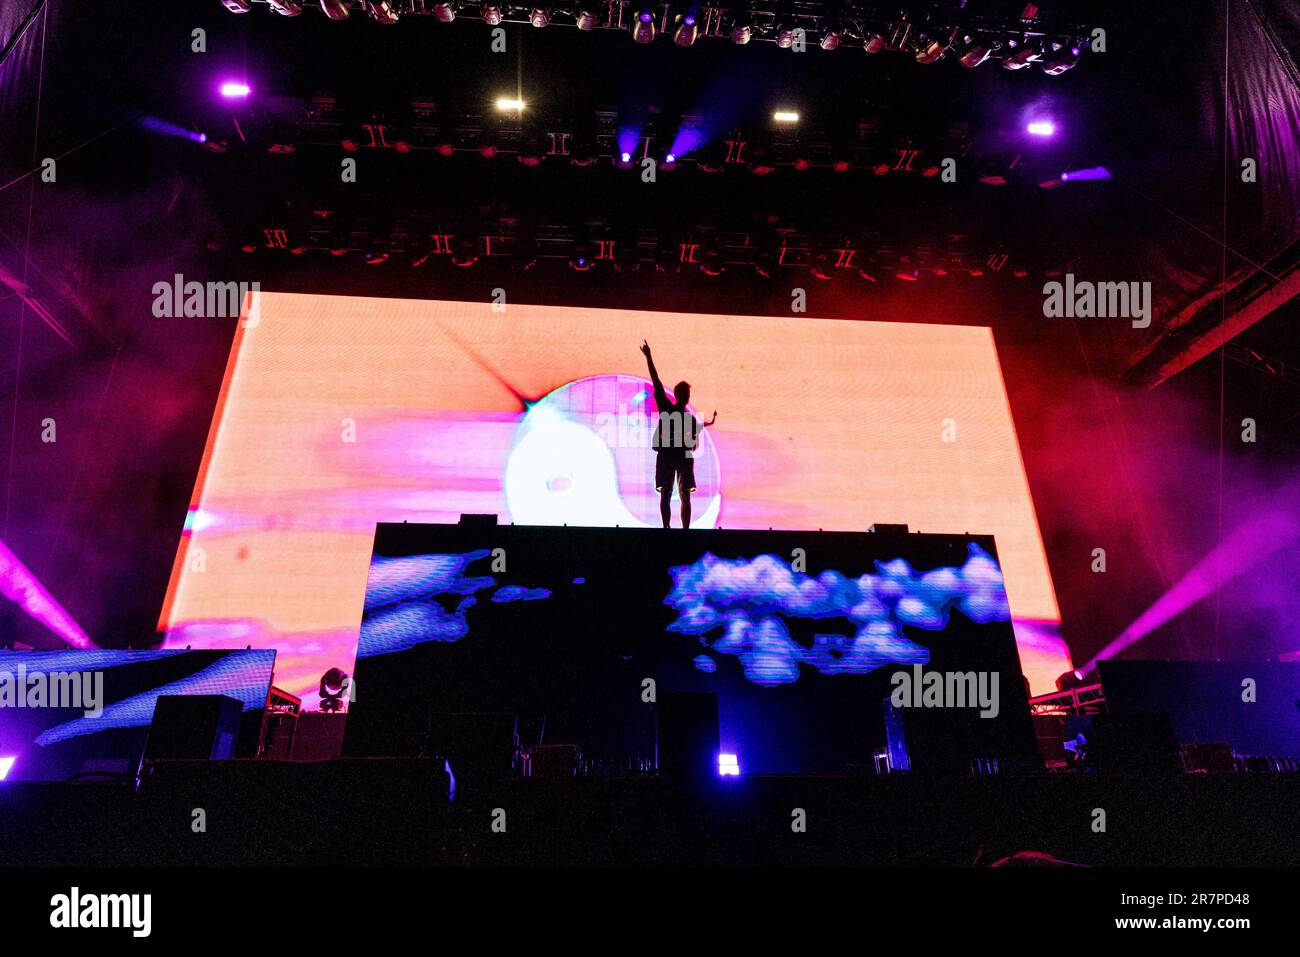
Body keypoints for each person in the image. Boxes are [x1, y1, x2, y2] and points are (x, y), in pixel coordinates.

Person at [640, 340, 716, 528]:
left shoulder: (670, 410)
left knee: (671, 493)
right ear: (686, 396)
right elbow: (693, 444)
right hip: (678, 456)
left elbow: (656, 382)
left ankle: (671, 528)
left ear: (677, 394)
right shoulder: (685, 417)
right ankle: (681, 530)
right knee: (680, 494)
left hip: (671, 456)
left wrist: (649, 356)